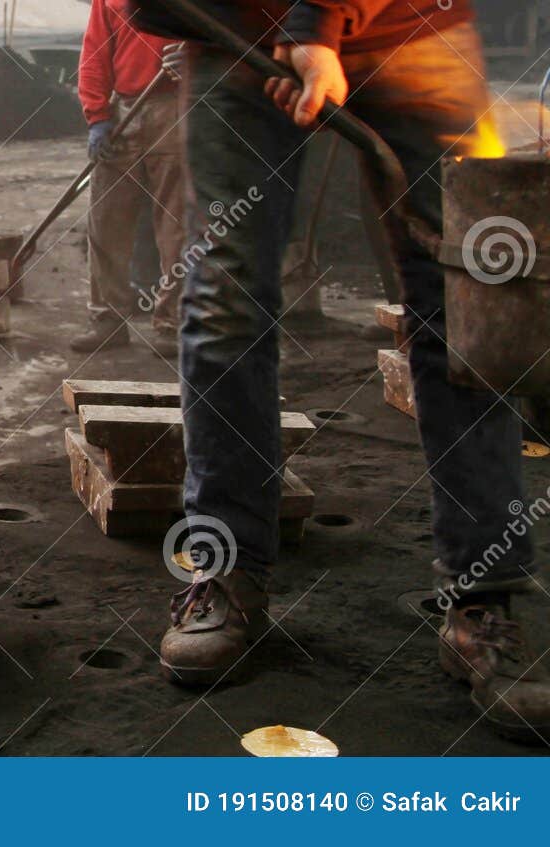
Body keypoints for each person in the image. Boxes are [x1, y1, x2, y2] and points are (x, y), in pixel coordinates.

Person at [133, 0, 548, 742]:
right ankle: (225, 570)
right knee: (226, 298)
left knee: (463, 302)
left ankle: (483, 594)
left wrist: (317, 25)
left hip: (409, 24)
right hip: (238, 27)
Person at [72, 0, 186, 357]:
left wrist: (198, 56)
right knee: (106, 219)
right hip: (124, 111)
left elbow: (237, 35)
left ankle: (173, 323)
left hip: (177, 108)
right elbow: (94, 52)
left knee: (176, 224)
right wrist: (97, 116)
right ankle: (107, 319)